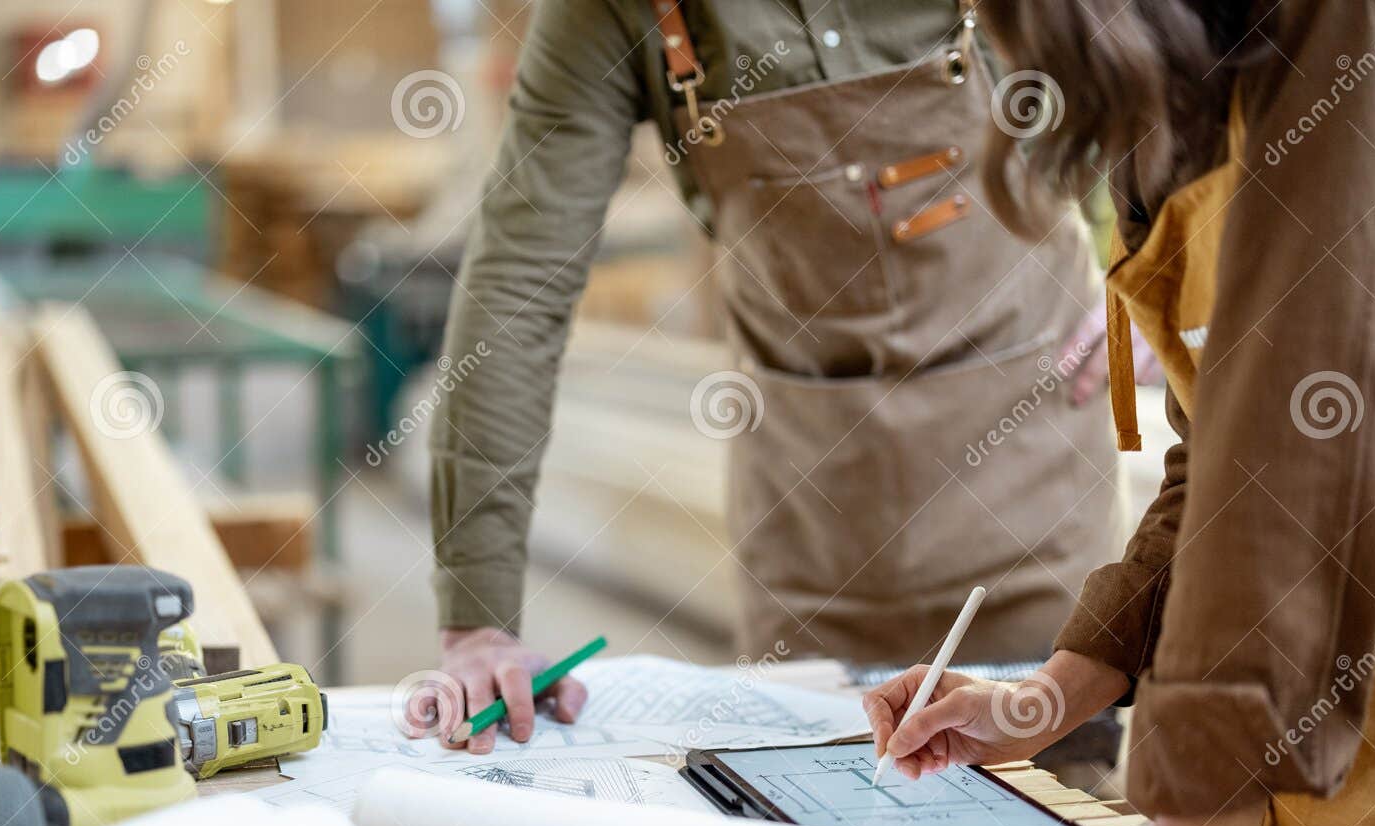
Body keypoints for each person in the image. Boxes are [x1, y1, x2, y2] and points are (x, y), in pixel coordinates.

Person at [415, 0, 1143, 756]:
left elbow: (1186, 71)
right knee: (812, 824)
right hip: (812, 542)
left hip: (1036, 511)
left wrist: (1162, 280)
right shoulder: (615, 11)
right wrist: (479, 618)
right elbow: (518, 282)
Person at [866, 0, 1375, 826]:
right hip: (1282, 767)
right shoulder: (1175, 76)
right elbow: (1219, 448)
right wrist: (1054, 692)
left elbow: (1302, 420)